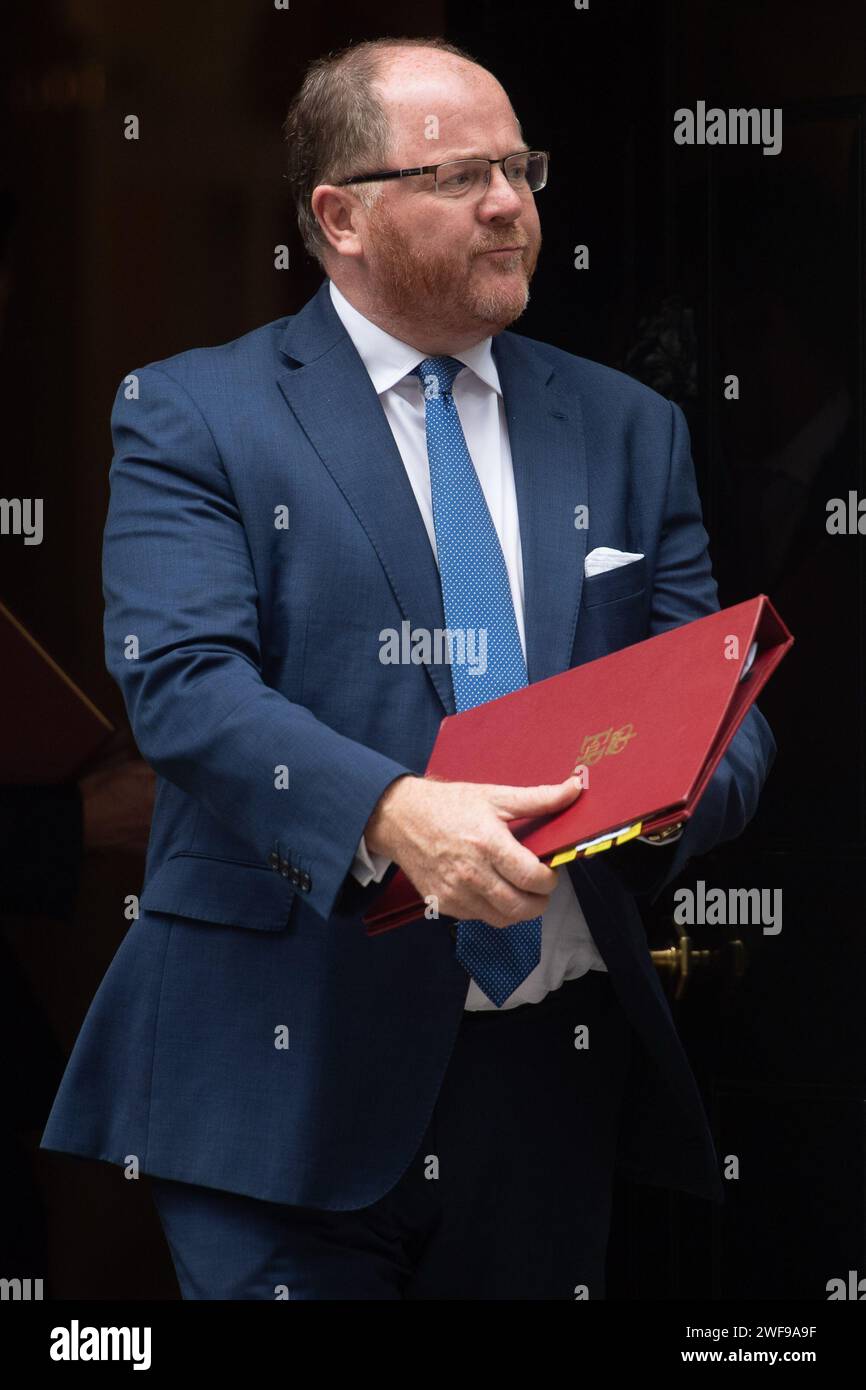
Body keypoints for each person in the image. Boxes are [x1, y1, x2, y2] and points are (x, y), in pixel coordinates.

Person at [40, 35, 776, 1300]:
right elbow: (186, 686)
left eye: (520, 169)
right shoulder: (194, 412)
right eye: (457, 176)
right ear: (341, 218)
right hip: (281, 1067)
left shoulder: (625, 425)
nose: (509, 203)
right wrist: (390, 813)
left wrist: (662, 790)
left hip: (544, 1076)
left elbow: (719, 700)